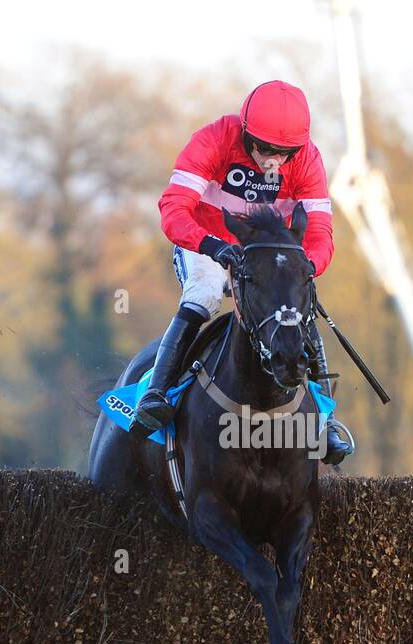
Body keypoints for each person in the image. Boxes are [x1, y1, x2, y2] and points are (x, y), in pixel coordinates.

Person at [131, 79, 353, 465]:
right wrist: (213, 246)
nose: (273, 161)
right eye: (265, 149)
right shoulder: (214, 140)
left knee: (297, 308)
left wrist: (307, 268)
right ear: (246, 133)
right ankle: (157, 392)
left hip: (265, 255)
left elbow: (320, 233)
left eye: (285, 153)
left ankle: (325, 420)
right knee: (204, 293)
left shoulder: (308, 160)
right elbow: (174, 209)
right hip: (208, 244)